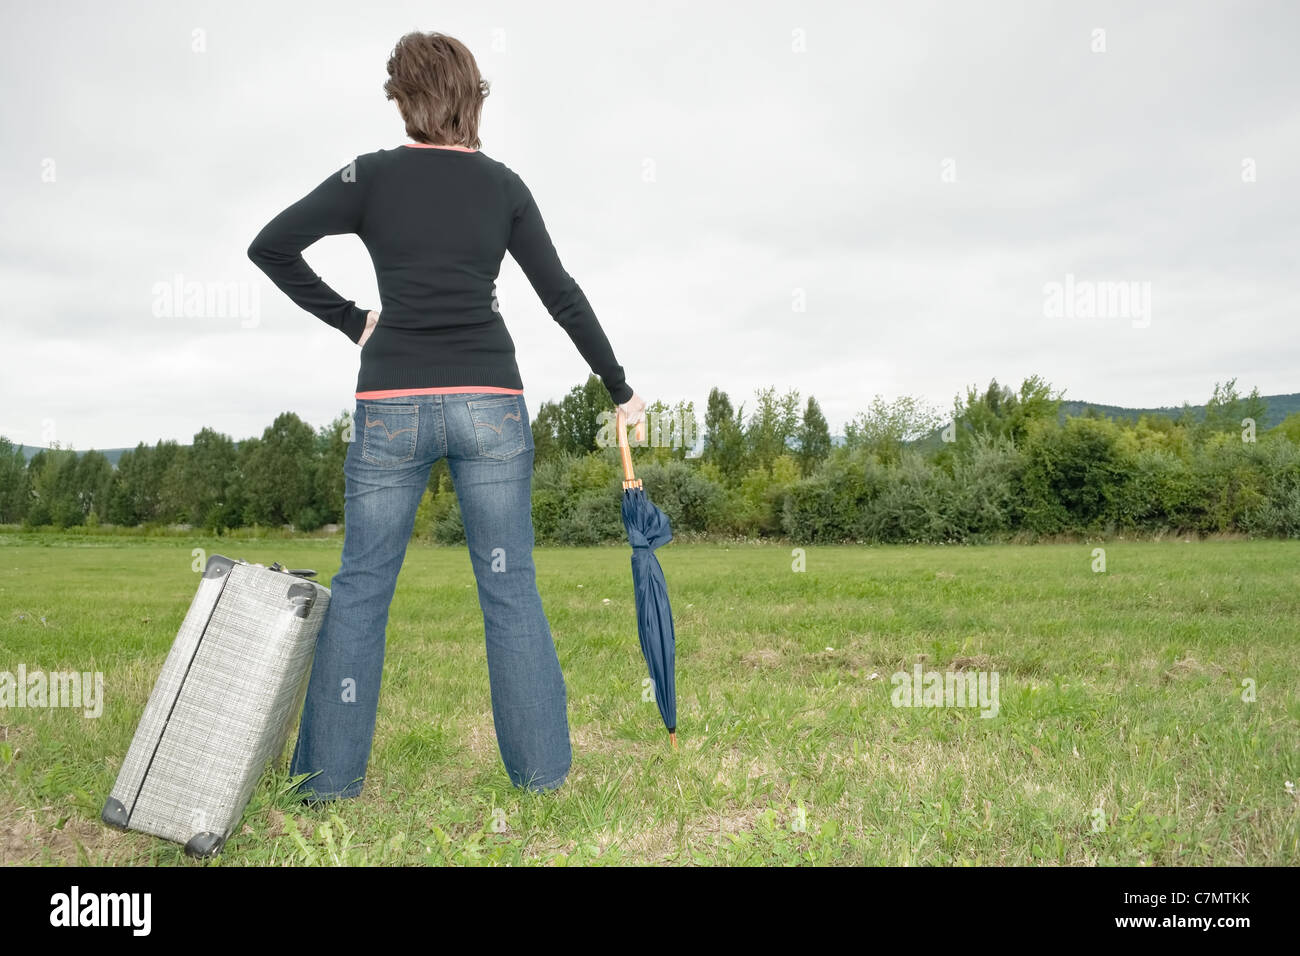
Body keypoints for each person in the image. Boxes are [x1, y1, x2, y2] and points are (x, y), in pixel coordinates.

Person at [247, 30, 645, 799]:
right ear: (474, 96)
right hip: (489, 404)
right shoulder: (503, 185)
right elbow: (560, 294)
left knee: (362, 585)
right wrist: (619, 388)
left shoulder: (371, 176)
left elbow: (272, 246)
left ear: (402, 97)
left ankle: (327, 787)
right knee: (511, 587)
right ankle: (542, 779)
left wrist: (354, 319)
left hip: (390, 402)